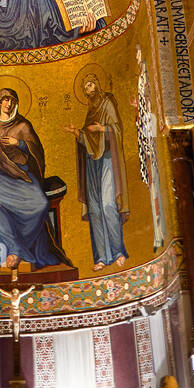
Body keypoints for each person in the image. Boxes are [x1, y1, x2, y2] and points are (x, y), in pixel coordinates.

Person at [0, 89, 70, 274]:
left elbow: (36, 154)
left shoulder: (23, 126)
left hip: (20, 173)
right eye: (4, 100)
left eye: (11, 100)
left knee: (39, 203)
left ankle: (20, 247)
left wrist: (20, 144)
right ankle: (14, 249)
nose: (7, 104)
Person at [67, 75, 128, 269]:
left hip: (109, 159)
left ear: (98, 85)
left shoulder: (107, 103)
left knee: (108, 204)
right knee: (94, 209)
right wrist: (78, 133)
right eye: (85, 86)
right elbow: (88, 140)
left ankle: (118, 251)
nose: (88, 87)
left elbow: (117, 129)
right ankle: (101, 257)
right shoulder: (90, 111)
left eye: (91, 83)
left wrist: (103, 128)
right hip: (91, 164)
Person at [131, 46, 165, 250]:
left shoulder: (146, 81)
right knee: (152, 188)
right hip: (146, 141)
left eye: (138, 55)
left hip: (152, 140)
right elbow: (143, 113)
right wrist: (137, 109)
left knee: (158, 188)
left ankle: (161, 234)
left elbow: (150, 110)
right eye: (136, 55)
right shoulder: (140, 82)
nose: (137, 58)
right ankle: (157, 235)